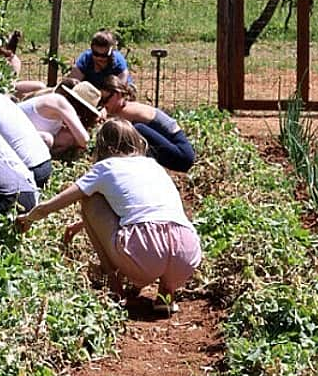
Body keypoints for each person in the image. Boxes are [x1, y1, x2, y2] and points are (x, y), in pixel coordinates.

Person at [16, 119, 202, 314]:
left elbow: (55, 204)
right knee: (159, 236)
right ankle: (167, 293)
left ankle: (116, 289)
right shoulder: (153, 165)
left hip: (145, 253)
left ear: (103, 145)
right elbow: (146, 208)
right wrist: (82, 225)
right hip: (186, 252)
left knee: (88, 199)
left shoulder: (105, 168)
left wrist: (28, 218)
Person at [96, 76, 196, 173]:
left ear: (117, 95)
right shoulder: (125, 107)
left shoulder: (127, 112)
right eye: (101, 102)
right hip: (180, 152)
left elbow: (110, 125)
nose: (104, 105)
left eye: (105, 100)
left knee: (135, 130)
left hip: (182, 155)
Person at [19, 81, 100, 161]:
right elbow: (84, 140)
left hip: (20, 138)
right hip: (13, 136)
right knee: (47, 138)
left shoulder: (60, 109)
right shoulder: (60, 102)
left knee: (67, 137)